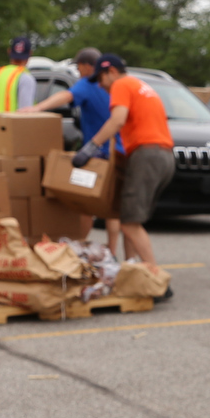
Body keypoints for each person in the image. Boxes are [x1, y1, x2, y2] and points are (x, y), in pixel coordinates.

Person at [73, 54, 170, 281]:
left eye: (101, 78)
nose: (100, 85)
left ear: (112, 72)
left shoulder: (121, 85)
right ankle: (131, 269)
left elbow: (117, 120)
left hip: (146, 155)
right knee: (132, 220)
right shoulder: (141, 86)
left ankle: (154, 278)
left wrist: (90, 148)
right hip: (163, 155)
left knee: (128, 223)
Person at [30, 47, 115, 162]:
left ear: (86, 66)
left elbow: (66, 96)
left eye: (78, 66)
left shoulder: (87, 83)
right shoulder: (113, 82)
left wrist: (38, 108)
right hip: (118, 149)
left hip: (98, 152)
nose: (78, 70)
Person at [0, 35, 39, 113]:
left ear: (9, 51)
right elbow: (25, 112)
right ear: (30, 53)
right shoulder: (26, 78)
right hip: (15, 125)